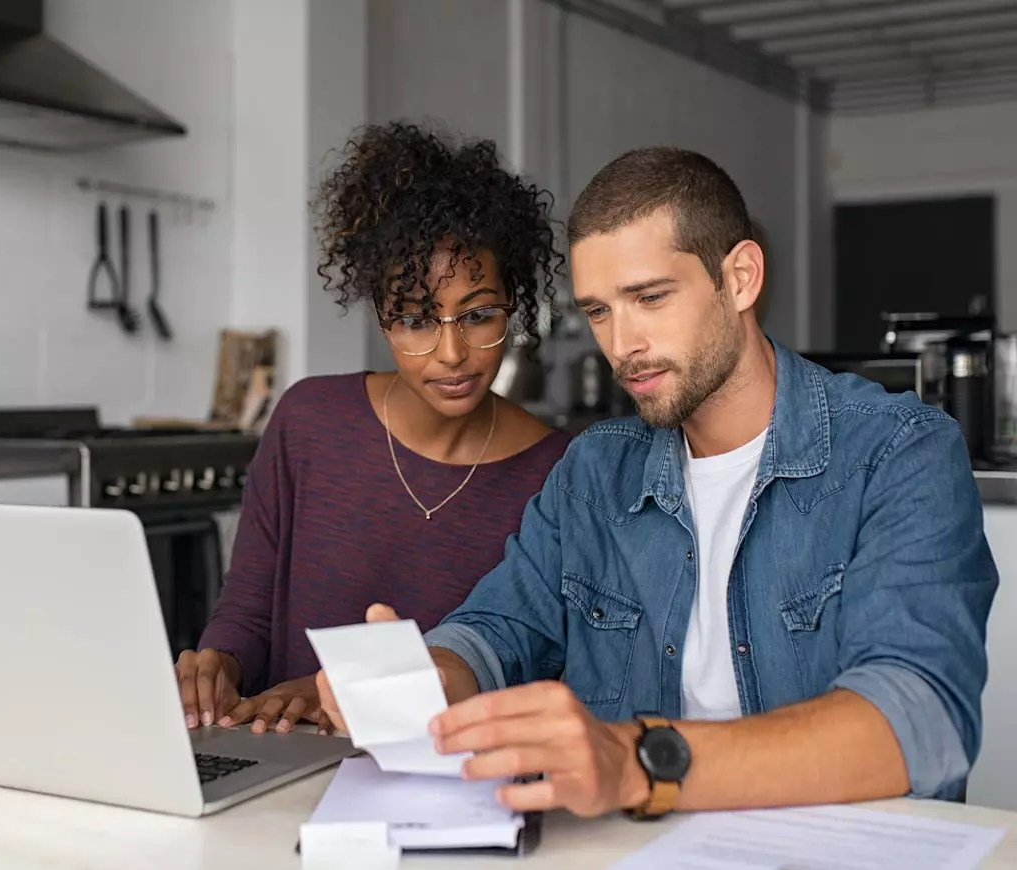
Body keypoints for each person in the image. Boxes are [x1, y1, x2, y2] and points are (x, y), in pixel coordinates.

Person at [318, 146, 998, 819]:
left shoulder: (898, 451)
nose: (621, 344)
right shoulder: (594, 472)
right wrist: (429, 676)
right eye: (600, 311)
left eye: (649, 298)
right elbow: (499, 628)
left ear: (740, 278)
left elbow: (919, 720)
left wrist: (640, 762)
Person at [175, 121, 572, 736]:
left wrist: (337, 693)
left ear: (513, 307)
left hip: (444, 786)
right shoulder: (308, 422)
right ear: (382, 319)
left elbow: (529, 665)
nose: (451, 353)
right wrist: (217, 665)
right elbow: (248, 613)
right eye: (415, 320)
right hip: (278, 766)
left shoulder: (556, 473)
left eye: (478, 315)